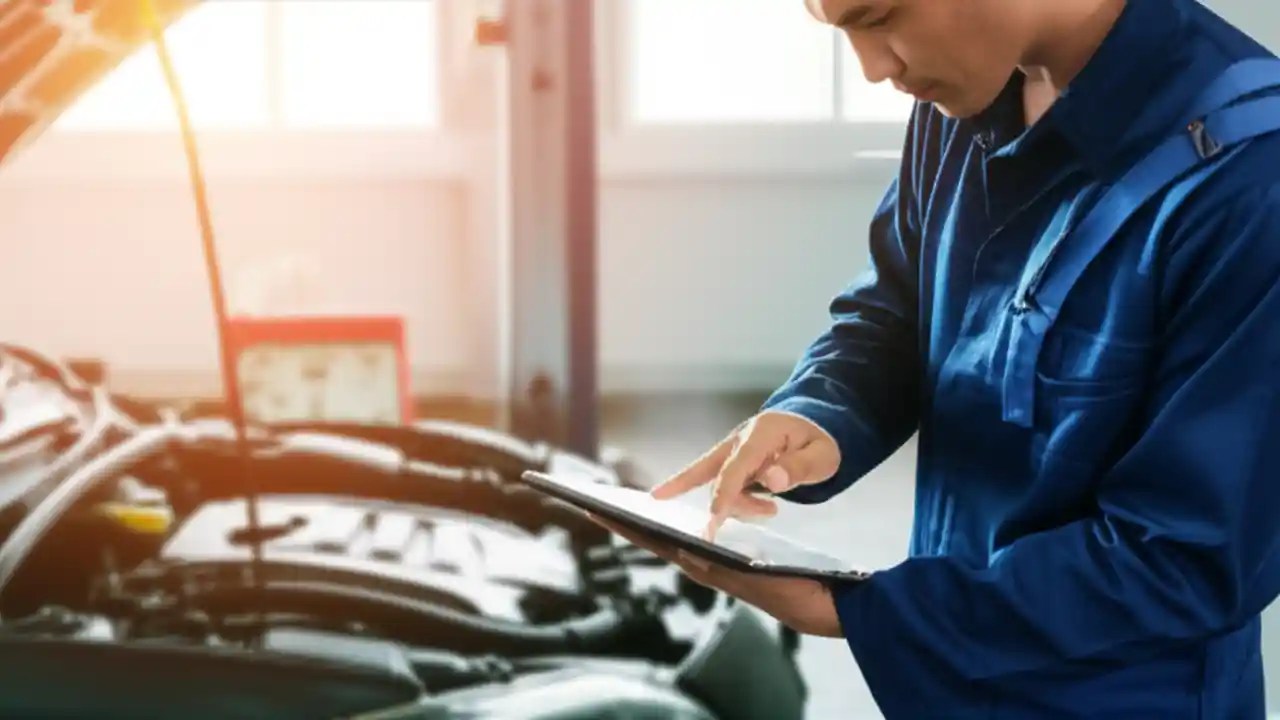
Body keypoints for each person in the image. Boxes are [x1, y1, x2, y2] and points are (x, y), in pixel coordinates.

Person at [593, 0, 1280, 717]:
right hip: (953, 685)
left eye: (880, 15)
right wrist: (818, 416)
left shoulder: (1252, 179)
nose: (873, 68)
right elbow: (898, 308)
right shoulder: (968, 99)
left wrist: (864, 610)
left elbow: (1186, 557)